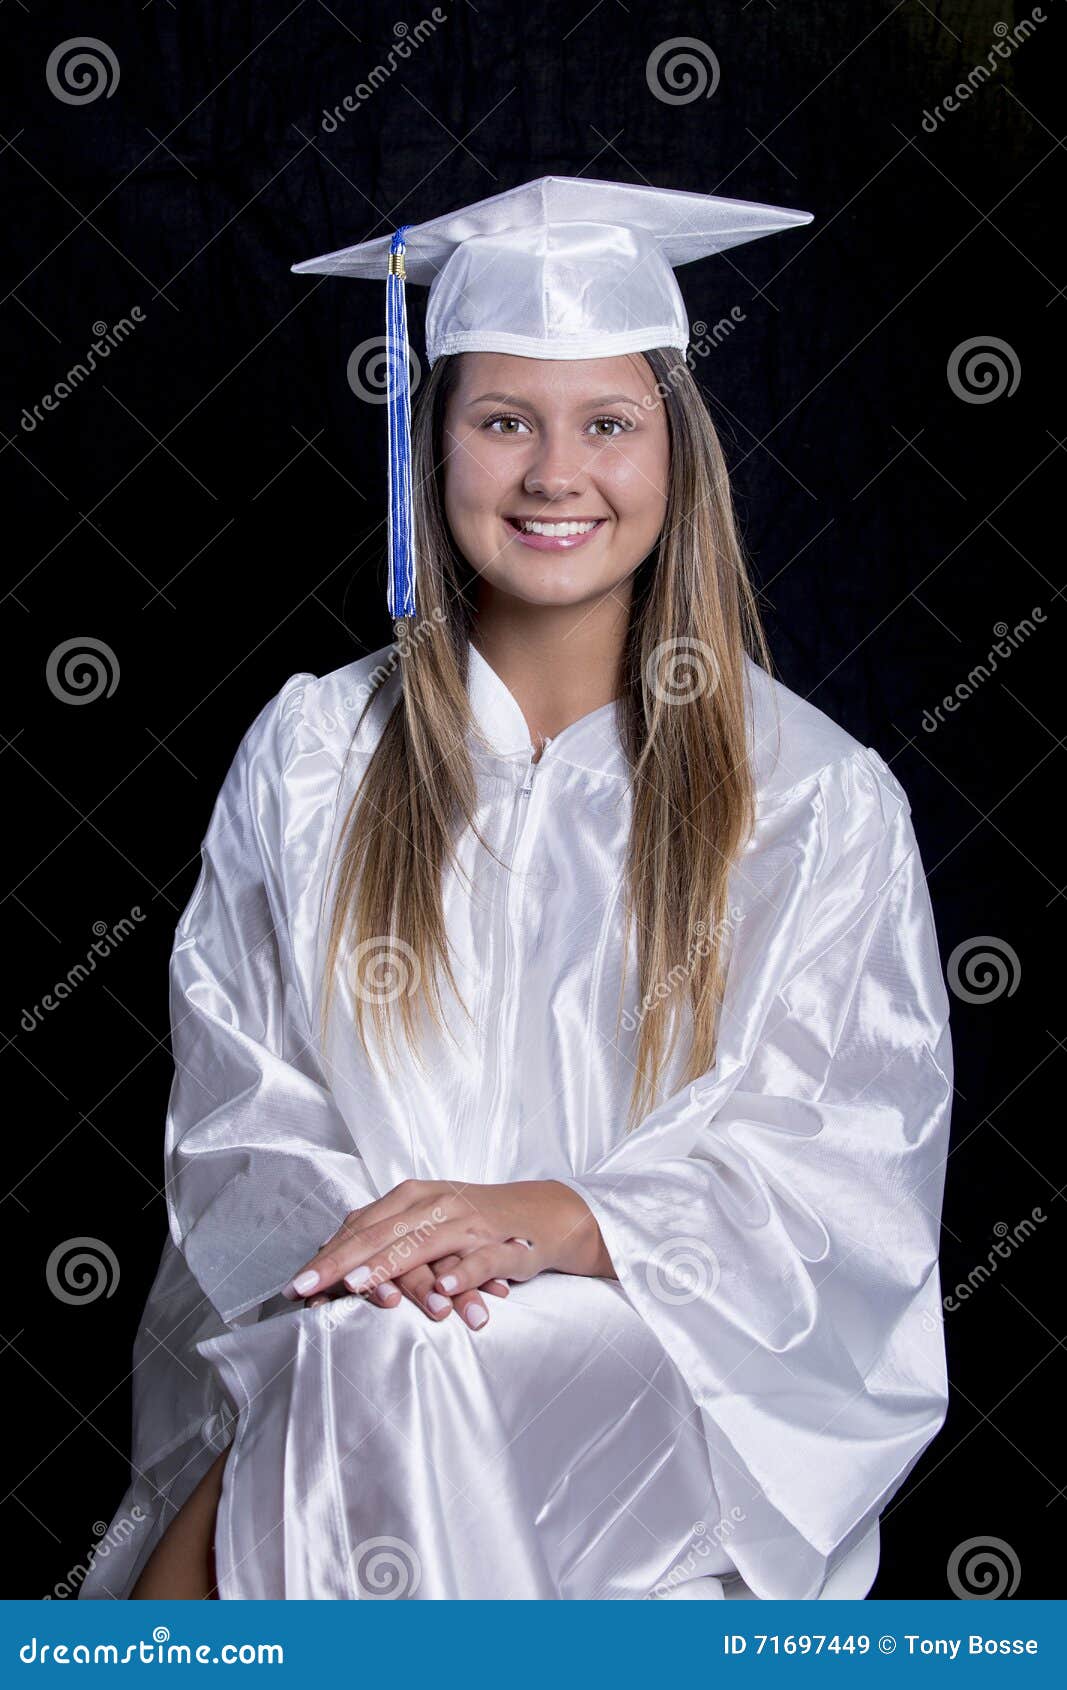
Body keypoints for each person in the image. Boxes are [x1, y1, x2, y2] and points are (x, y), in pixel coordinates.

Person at [80, 177, 952, 1602]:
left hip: (664, 1376)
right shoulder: (314, 756)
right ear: (433, 449)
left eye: (606, 422)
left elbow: (837, 1168)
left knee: (426, 1364)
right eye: (504, 422)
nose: (556, 474)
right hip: (349, 1341)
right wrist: (398, 1267)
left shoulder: (811, 796)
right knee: (389, 1355)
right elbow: (246, 1105)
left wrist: (558, 1219)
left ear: (678, 455)